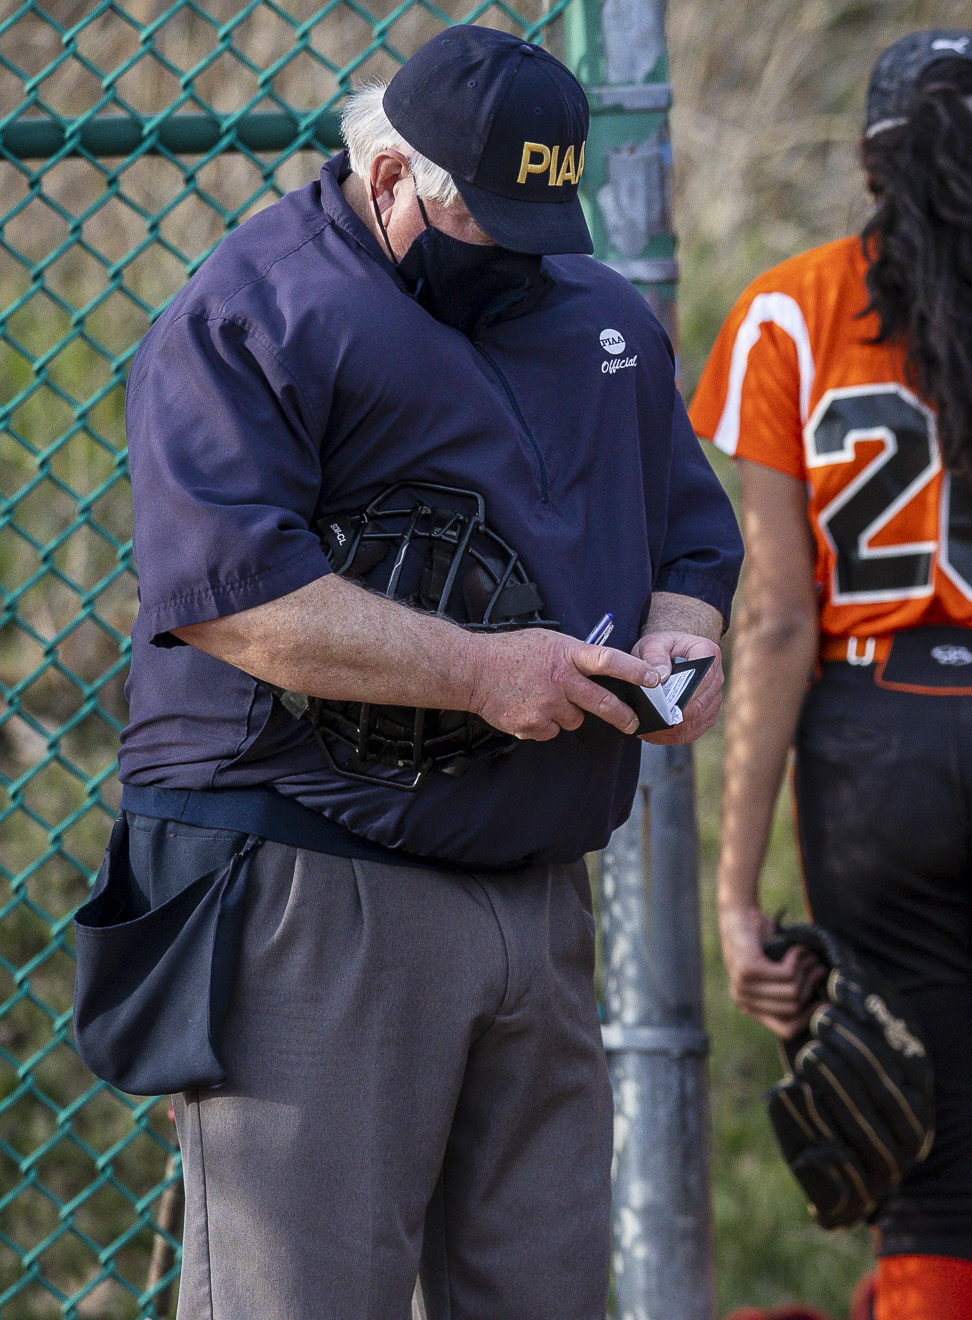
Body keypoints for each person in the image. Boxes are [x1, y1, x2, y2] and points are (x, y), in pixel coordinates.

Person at [75, 25, 741, 1320]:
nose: (519, 256)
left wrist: (682, 636)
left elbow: (695, 531)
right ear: (389, 177)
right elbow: (237, 601)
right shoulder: (256, 308)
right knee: (304, 1298)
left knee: (547, 1298)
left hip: (539, 888)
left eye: (540, 220)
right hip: (315, 882)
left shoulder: (599, 315)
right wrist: (485, 670)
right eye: (484, 220)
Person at [689, 30, 972, 1320]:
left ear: (871, 158)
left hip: (866, 744)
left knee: (917, 1159)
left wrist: (732, 894)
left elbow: (773, 621)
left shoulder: (790, 306)